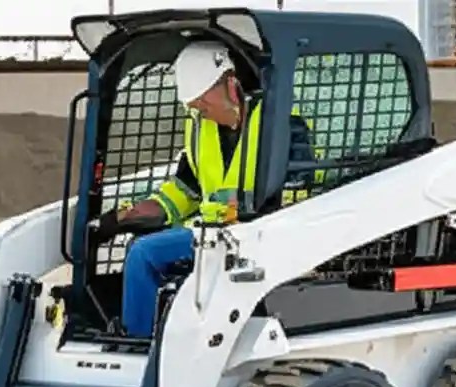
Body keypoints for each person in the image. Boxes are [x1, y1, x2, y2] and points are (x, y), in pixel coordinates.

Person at [94, 40, 316, 338]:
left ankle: (140, 344)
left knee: (145, 254)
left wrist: (249, 218)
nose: (201, 110)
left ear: (230, 83)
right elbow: (187, 189)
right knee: (139, 248)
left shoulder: (284, 125)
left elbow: (298, 195)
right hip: (210, 236)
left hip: (256, 239)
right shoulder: (200, 127)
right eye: (194, 105)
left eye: (204, 102)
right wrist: (131, 215)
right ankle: (150, 339)